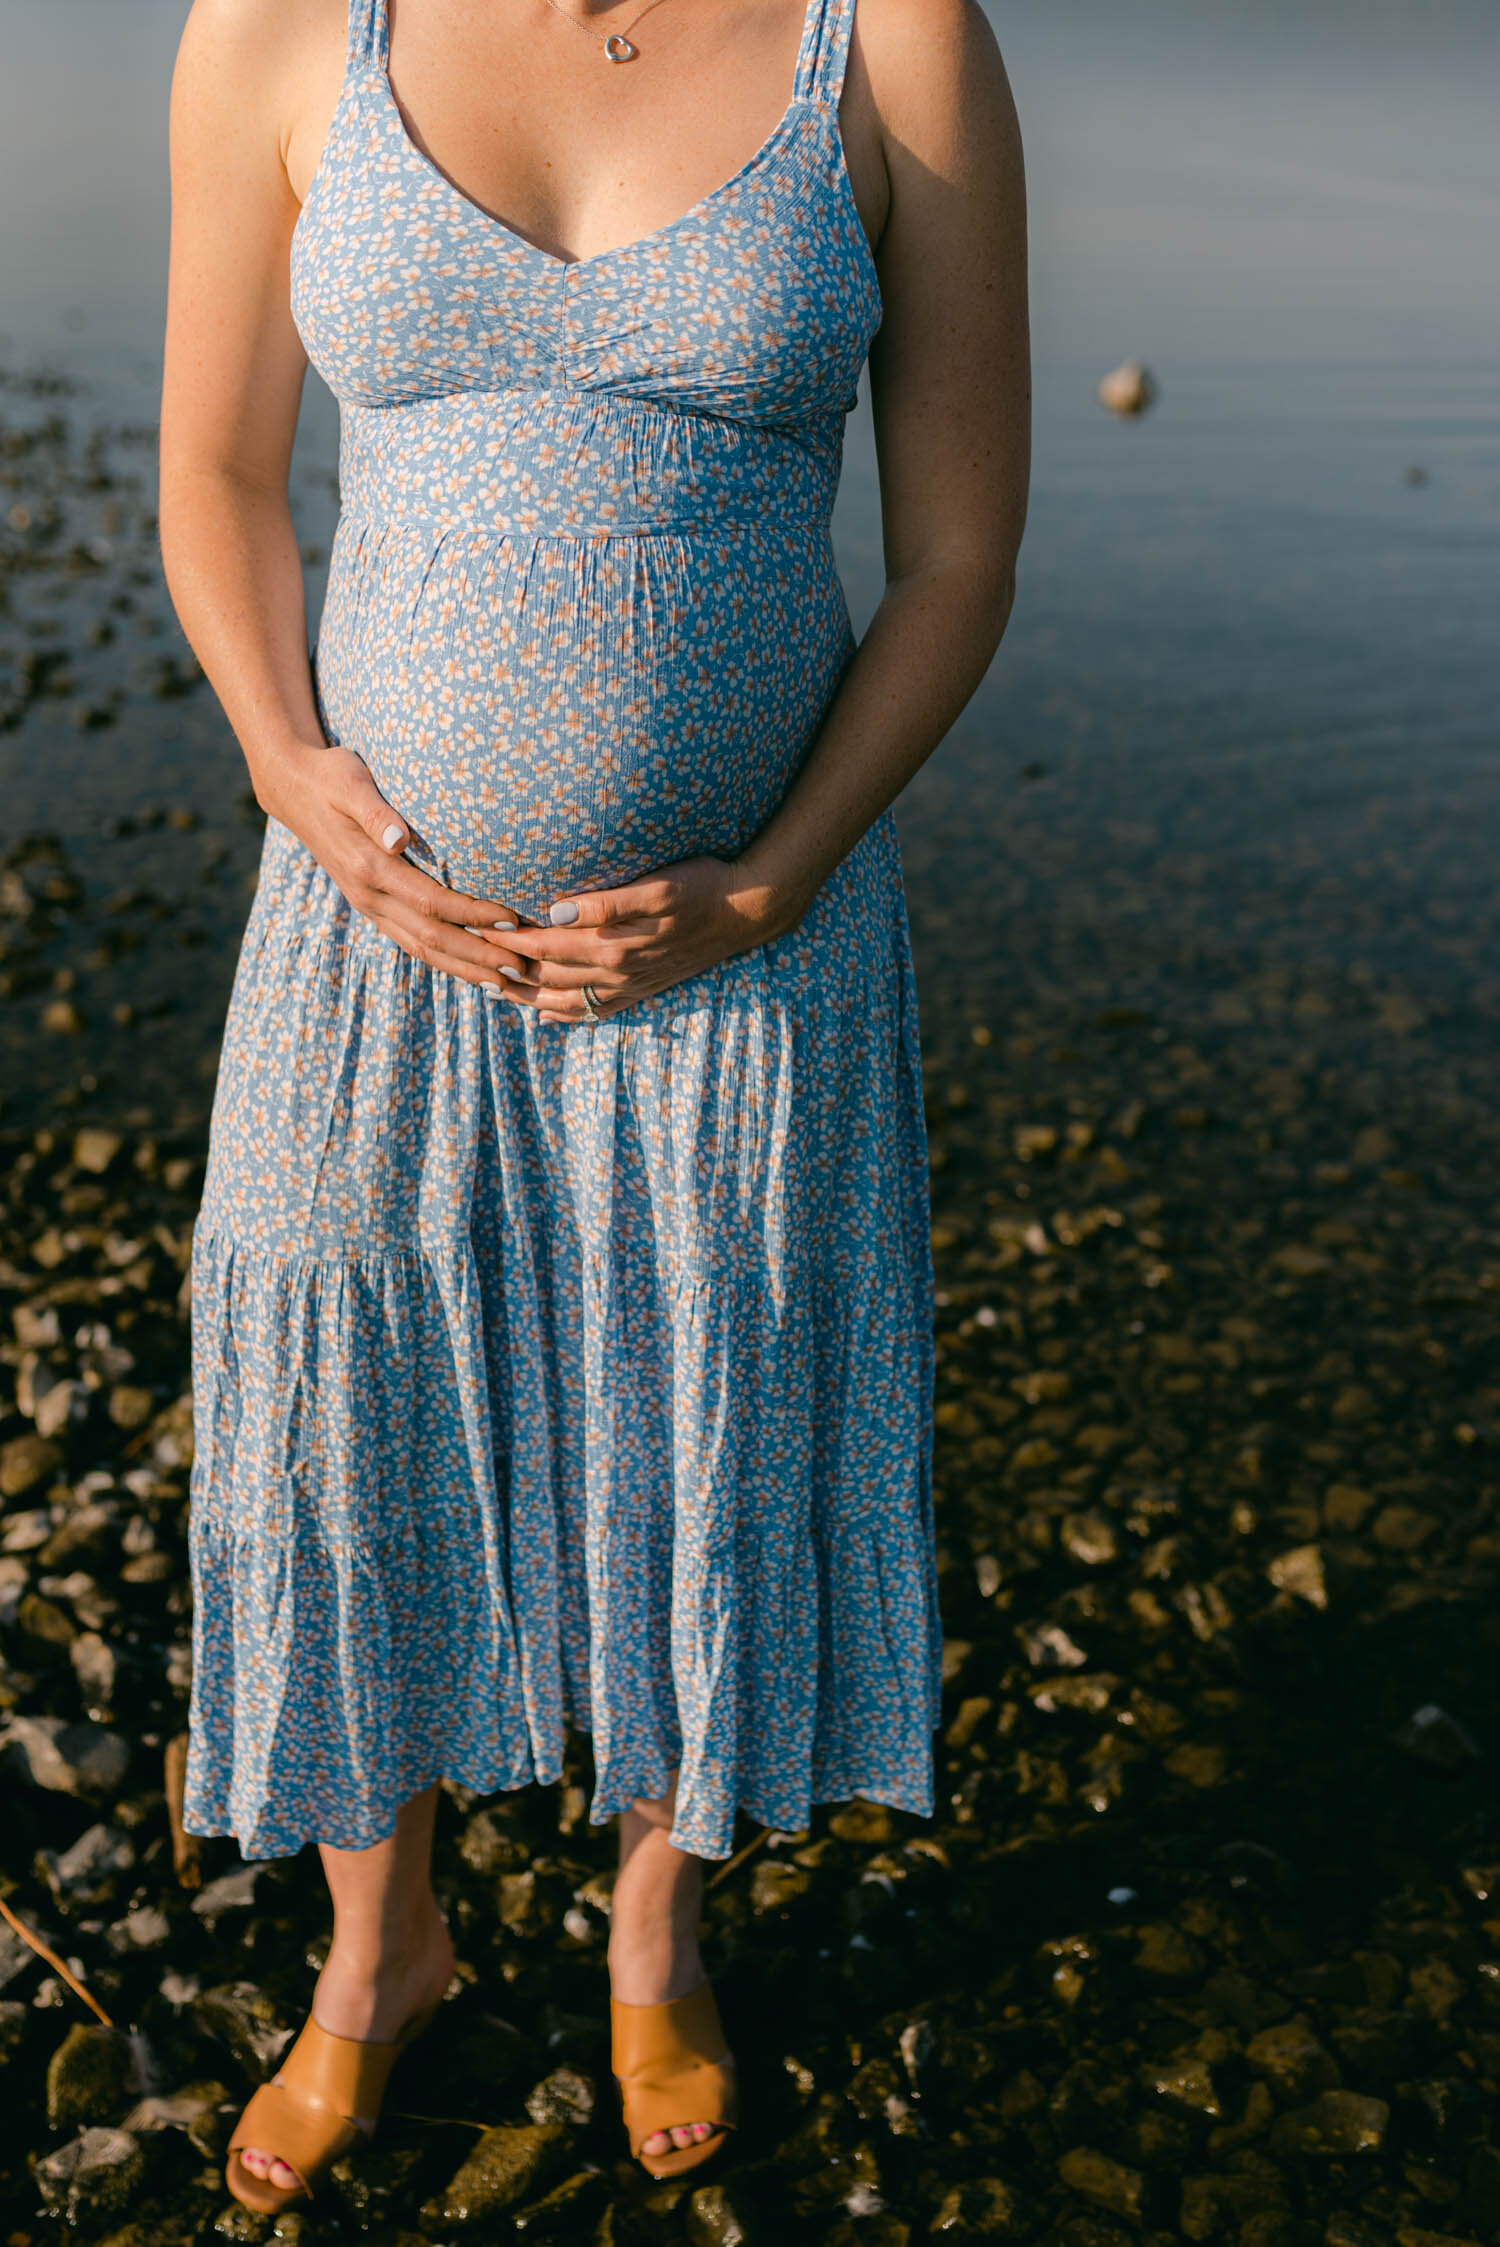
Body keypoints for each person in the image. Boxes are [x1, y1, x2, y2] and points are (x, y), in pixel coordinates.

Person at [158, 0, 1028, 2211]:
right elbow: (217, 477)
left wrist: (775, 872)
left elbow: (956, 556)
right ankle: (382, 1952)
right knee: (348, 1409)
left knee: (699, 1405)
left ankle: (657, 1924)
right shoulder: (277, 32)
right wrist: (291, 768)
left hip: (749, 955)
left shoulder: (892, 39)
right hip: (370, 939)